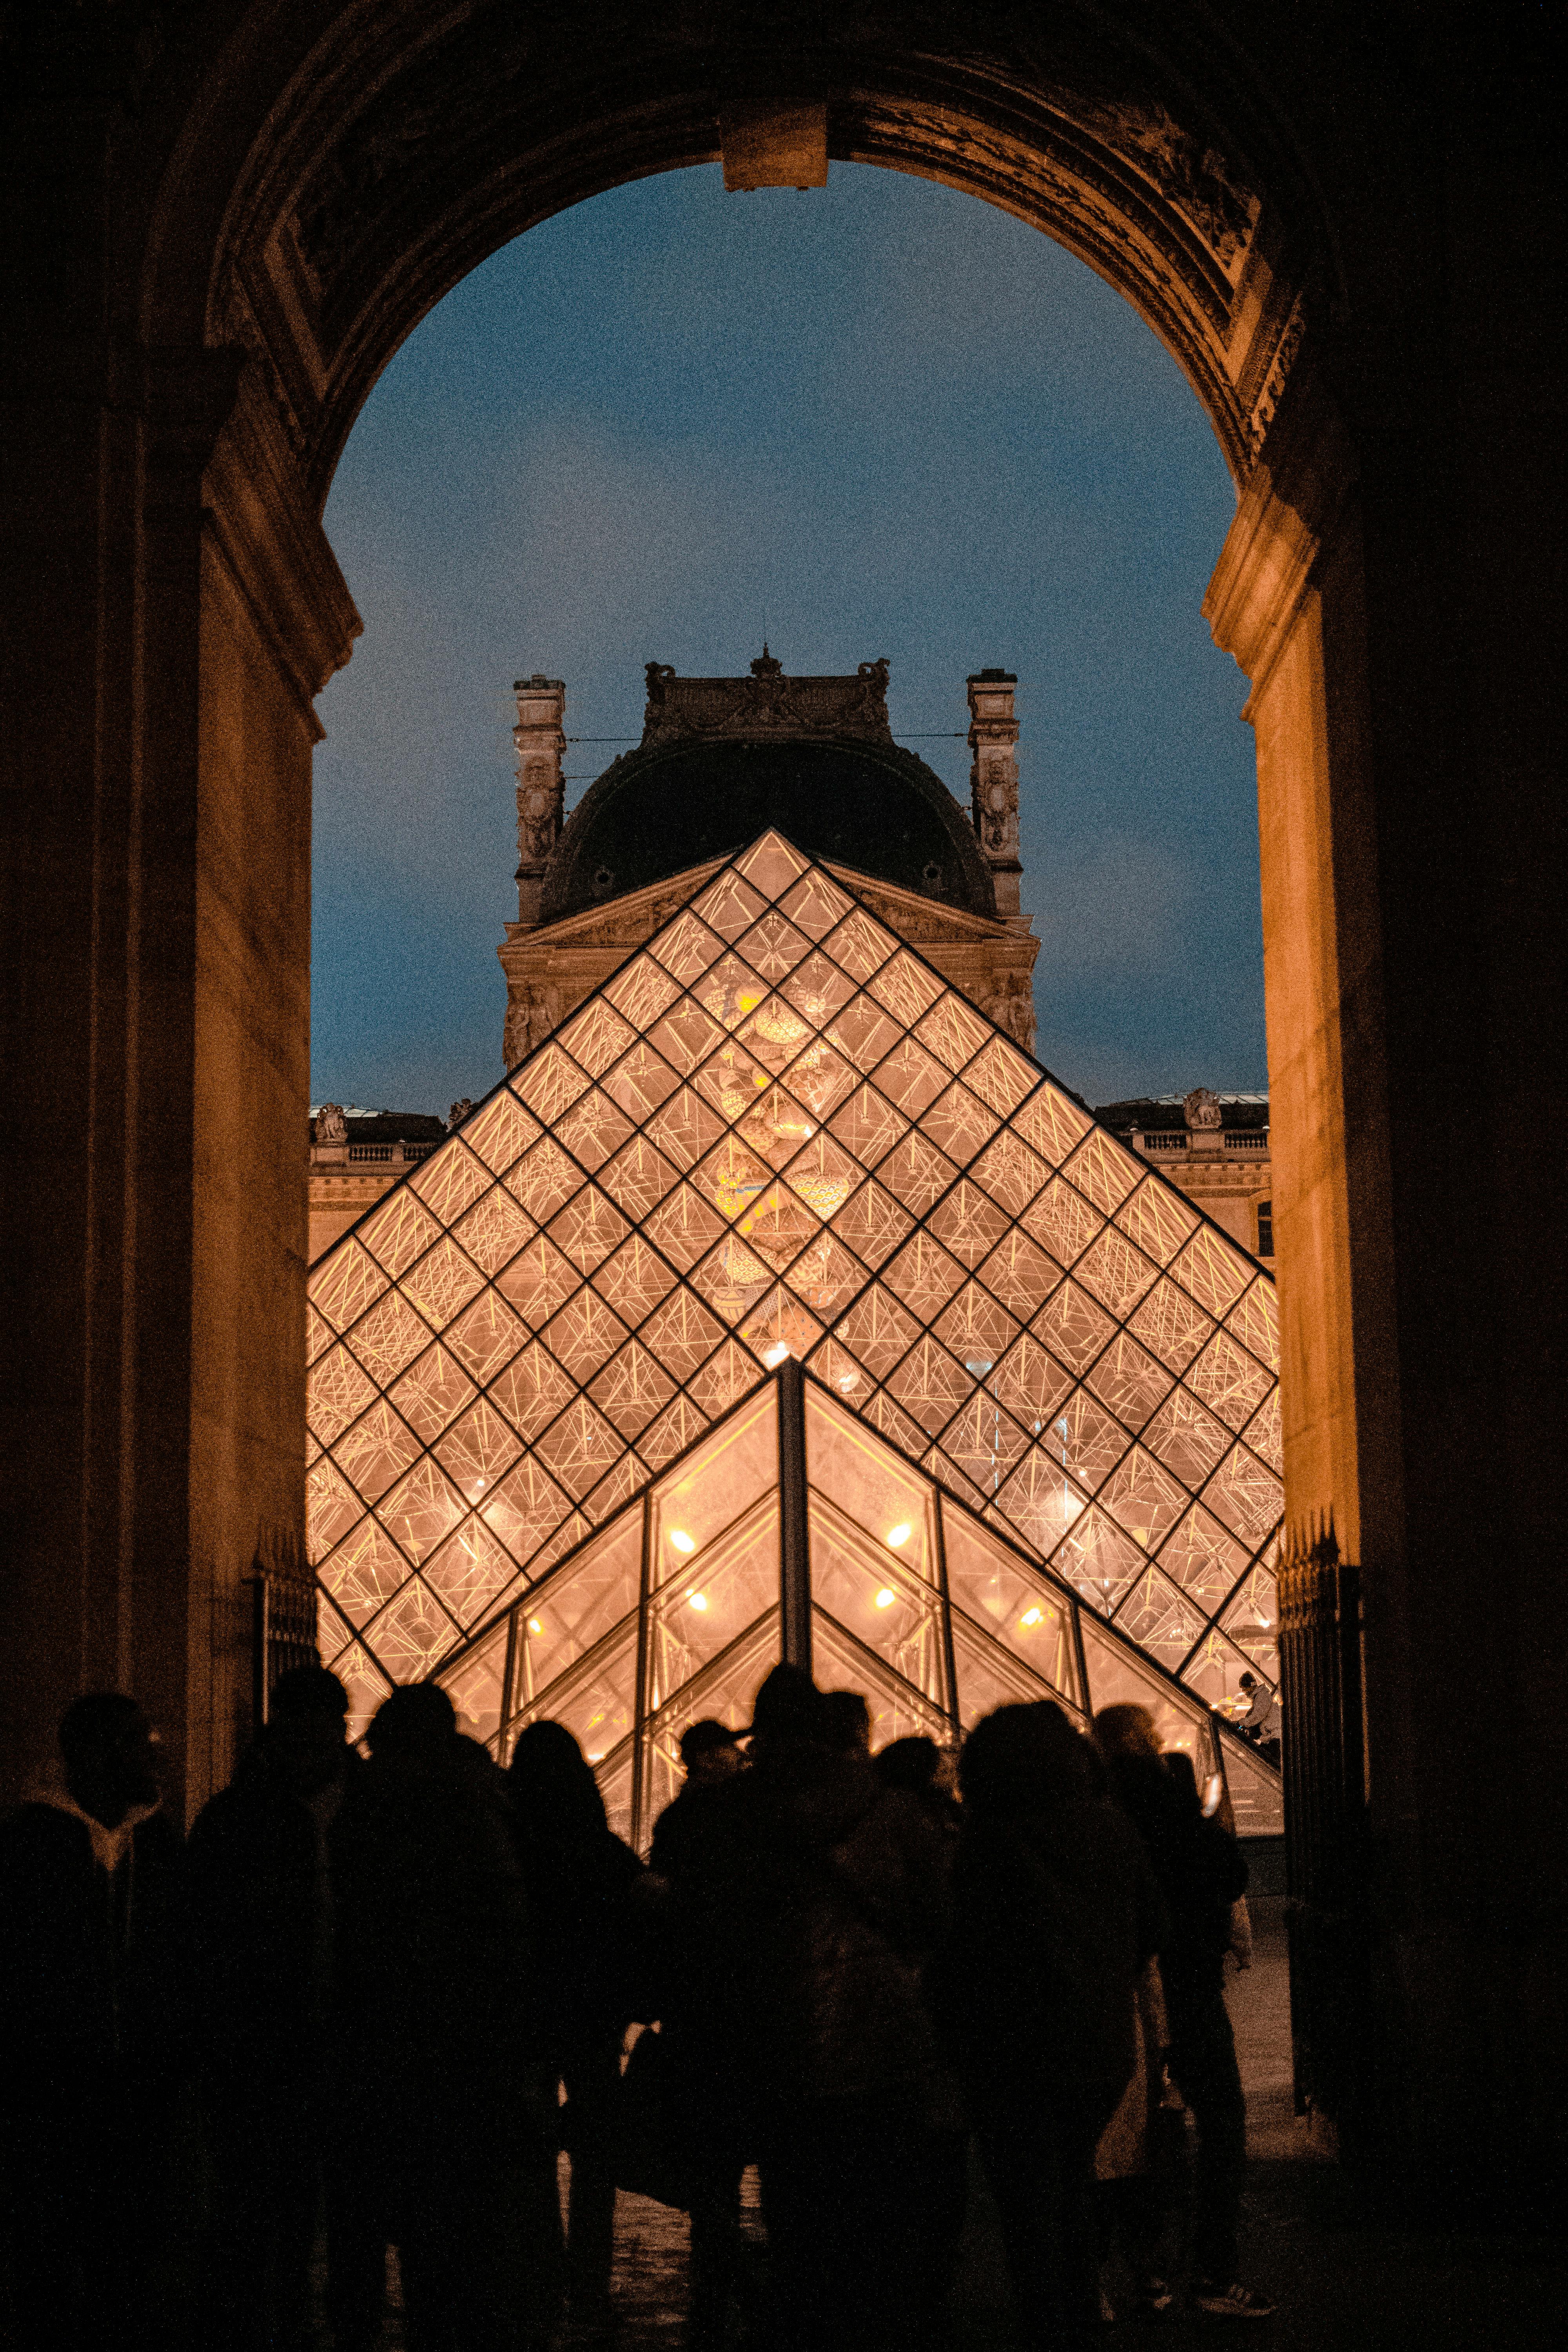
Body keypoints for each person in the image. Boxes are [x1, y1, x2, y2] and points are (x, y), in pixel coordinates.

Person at [678, 1664, 957, 2352]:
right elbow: (939, 1919)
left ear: (763, 1732)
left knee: (797, 2221)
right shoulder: (890, 1809)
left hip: (772, 2048)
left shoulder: (727, 1814)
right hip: (881, 2047)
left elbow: (702, 1931)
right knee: (878, 2223)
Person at [938, 1700, 1165, 2349]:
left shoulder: (988, 1842)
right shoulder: (1112, 1828)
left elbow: (962, 1953)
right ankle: (1082, 2315)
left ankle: (1053, 2324)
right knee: (1071, 2185)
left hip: (1011, 2055)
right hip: (1098, 2050)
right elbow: (1155, 1930)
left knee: (1028, 2210)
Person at [329, 1681, 534, 2352]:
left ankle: (354, 2322)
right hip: (456, 2042)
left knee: (359, 2217)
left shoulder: (354, 1801)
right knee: (447, 2231)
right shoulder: (468, 1802)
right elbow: (502, 1923)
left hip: (368, 2031)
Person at [0, 1693, 187, 2352]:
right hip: (54, 2092)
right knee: (61, 2261)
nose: (153, 1753)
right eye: (141, 1741)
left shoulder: (152, 1842)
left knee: (119, 2261)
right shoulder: (33, 1849)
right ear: (97, 1754)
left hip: (130, 2091)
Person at [185, 1664, 355, 2352]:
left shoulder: (229, 1816)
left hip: (258, 2045)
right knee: (312, 2212)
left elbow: (196, 1938)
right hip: (309, 2045)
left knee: (253, 2211)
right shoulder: (373, 1815)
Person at [1093, 1708, 1275, 2322]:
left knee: (1121, 2134)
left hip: (1119, 1993)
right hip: (1190, 1987)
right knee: (1221, 2124)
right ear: (1147, 1742)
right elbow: (1227, 1872)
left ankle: (1129, 2272)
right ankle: (1210, 2270)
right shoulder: (1168, 1804)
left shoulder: (1094, 1808)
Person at [507, 1720, 648, 2341]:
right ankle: (589, 2277)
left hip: (527, 2014)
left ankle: (539, 2268)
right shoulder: (603, 1851)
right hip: (594, 2016)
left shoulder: (508, 1848)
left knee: (530, 2147)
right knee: (596, 2150)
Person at [649, 1717, 745, 1881]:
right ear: (706, 1760)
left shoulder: (675, 1817)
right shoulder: (726, 1810)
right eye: (729, 1747)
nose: (739, 1753)